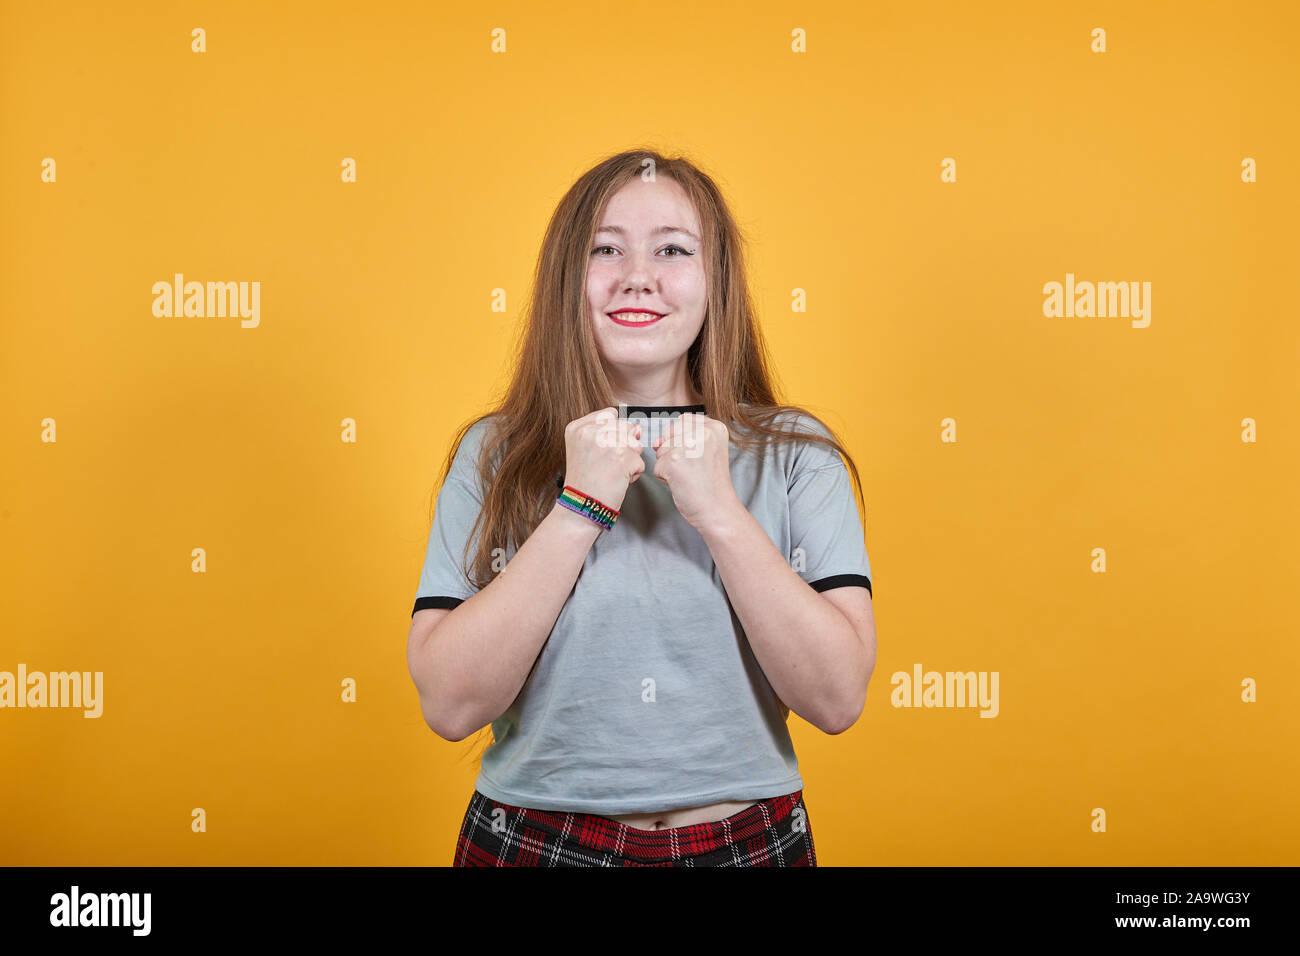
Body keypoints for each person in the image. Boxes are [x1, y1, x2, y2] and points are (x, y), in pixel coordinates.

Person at [406, 148, 876, 866]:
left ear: (716, 281)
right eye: (605, 249)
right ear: (569, 280)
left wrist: (721, 513)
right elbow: (449, 704)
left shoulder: (796, 453)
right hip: (536, 841)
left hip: (748, 843)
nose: (638, 277)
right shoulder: (493, 453)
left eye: (673, 250)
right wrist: (577, 508)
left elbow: (838, 699)